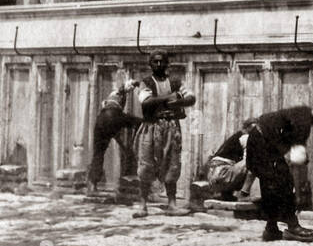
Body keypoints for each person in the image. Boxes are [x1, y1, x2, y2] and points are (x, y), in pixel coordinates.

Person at [247, 99, 313, 242]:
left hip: (260, 140)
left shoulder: (304, 114)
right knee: (282, 182)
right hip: (261, 143)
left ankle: (271, 229)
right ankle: (292, 227)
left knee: (272, 184)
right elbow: (296, 162)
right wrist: (298, 193)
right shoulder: (303, 123)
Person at [132, 51, 196, 218]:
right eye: (155, 62)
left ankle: (172, 204)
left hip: (171, 127)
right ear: (150, 64)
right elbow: (146, 102)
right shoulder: (145, 83)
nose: (159, 65)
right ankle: (143, 205)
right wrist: (169, 98)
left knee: (172, 164)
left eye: (162, 62)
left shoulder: (175, 82)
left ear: (167, 64)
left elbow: (191, 97)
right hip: (151, 127)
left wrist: (180, 101)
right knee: (146, 164)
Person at [85, 78, 143, 195]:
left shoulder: (110, 98)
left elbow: (113, 132)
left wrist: (122, 143)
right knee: (138, 122)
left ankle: (92, 185)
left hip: (101, 120)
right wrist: (137, 83)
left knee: (98, 154)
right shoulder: (117, 92)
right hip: (115, 116)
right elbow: (124, 87)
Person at [202, 117, 258, 200]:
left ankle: (226, 194)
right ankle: (244, 194)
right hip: (221, 175)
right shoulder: (245, 137)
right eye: (254, 129)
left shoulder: (237, 136)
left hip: (214, 175)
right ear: (248, 128)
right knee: (254, 162)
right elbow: (248, 159)